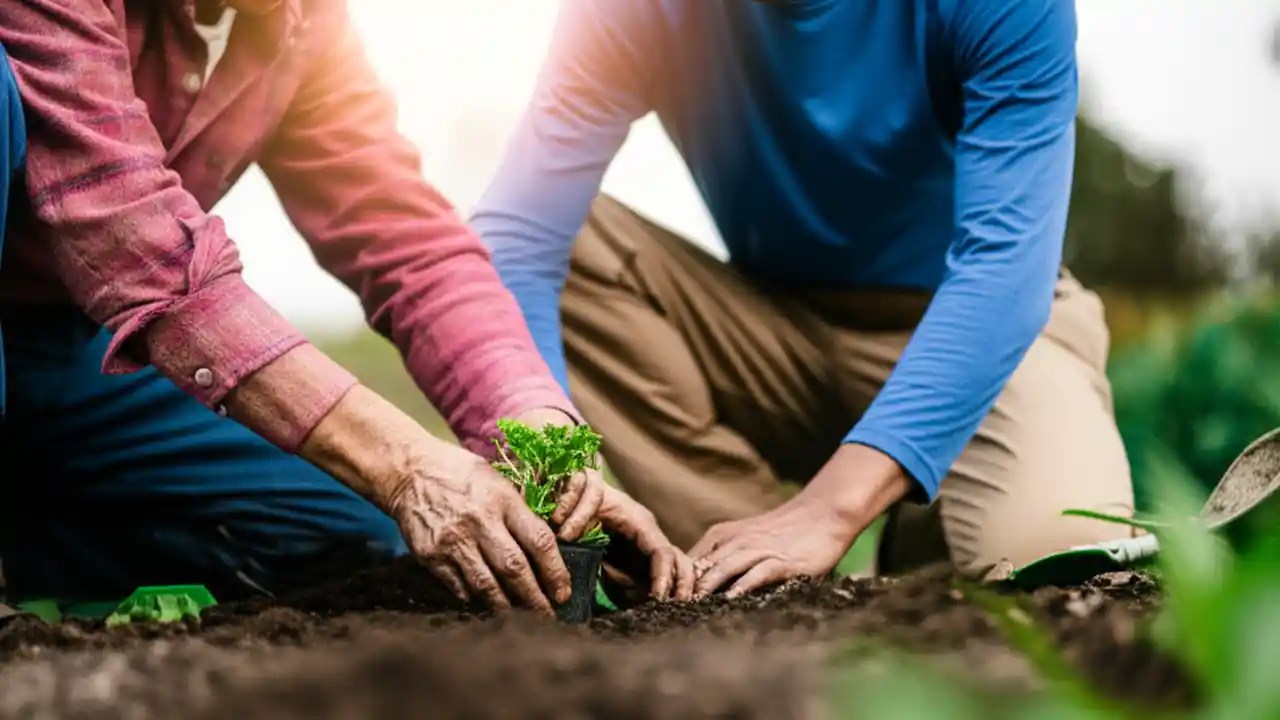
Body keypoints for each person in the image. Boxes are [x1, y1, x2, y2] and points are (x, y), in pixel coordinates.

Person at [0, 0, 692, 612]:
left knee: (355, 538)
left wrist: (540, 439)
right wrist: (406, 464)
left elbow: (408, 245)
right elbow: (132, 238)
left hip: (78, 353)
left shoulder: (303, 23)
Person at [473, 0, 1136, 599]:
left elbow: (1004, 267)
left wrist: (832, 510)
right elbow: (519, 238)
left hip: (981, 332)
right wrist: (551, 473)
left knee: (1063, 565)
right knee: (569, 246)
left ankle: (910, 517)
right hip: (772, 328)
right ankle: (752, 574)